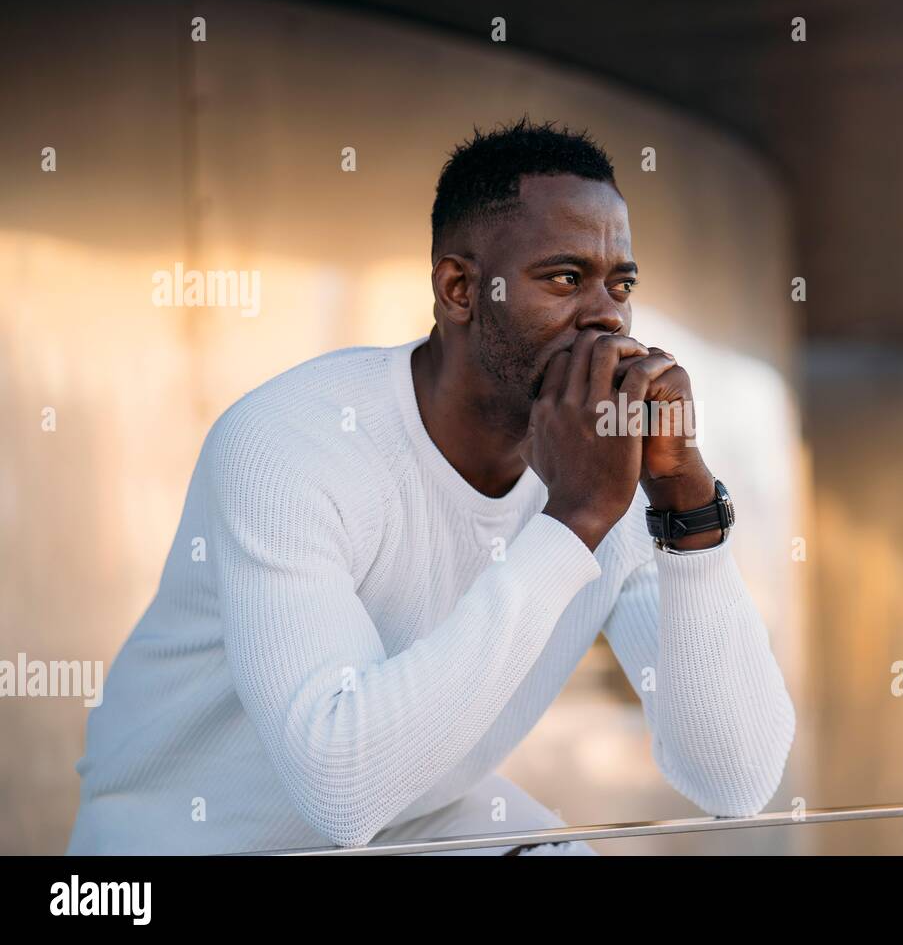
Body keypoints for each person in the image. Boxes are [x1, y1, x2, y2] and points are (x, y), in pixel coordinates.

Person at [66, 117, 797, 856]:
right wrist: (573, 522)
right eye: (565, 278)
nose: (606, 315)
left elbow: (734, 779)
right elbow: (341, 787)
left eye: (621, 284)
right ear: (459, 289)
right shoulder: (292, 439)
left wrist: (686, 512)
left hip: (417, 825)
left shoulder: (615, 474)